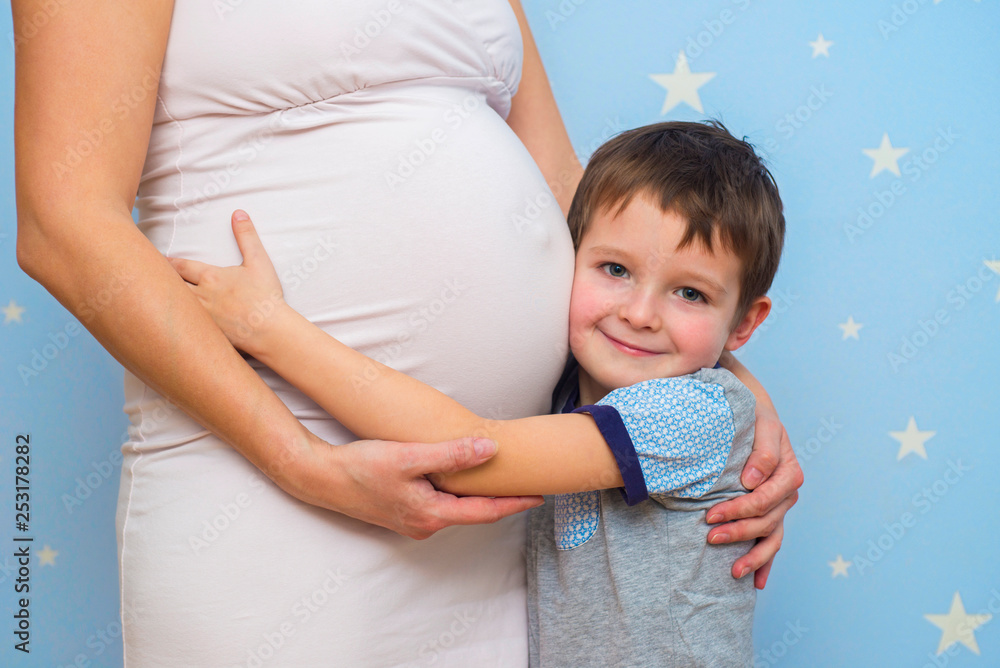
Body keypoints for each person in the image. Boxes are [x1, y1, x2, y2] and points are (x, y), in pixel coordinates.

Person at [13, 1, 801, 664]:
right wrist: (302, 459)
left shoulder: (690, 406)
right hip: (273, 462)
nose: (641, 309)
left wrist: (726, 390)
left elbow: (578, 200)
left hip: (501, 534)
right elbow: (62, 224)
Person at [168, 119, 784, 666]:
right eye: (615, 270)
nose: (640, 314)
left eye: (690, 293)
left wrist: (270, 329)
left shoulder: (694, 412)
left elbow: (469, 451)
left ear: (747, 323)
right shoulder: (580, 383)